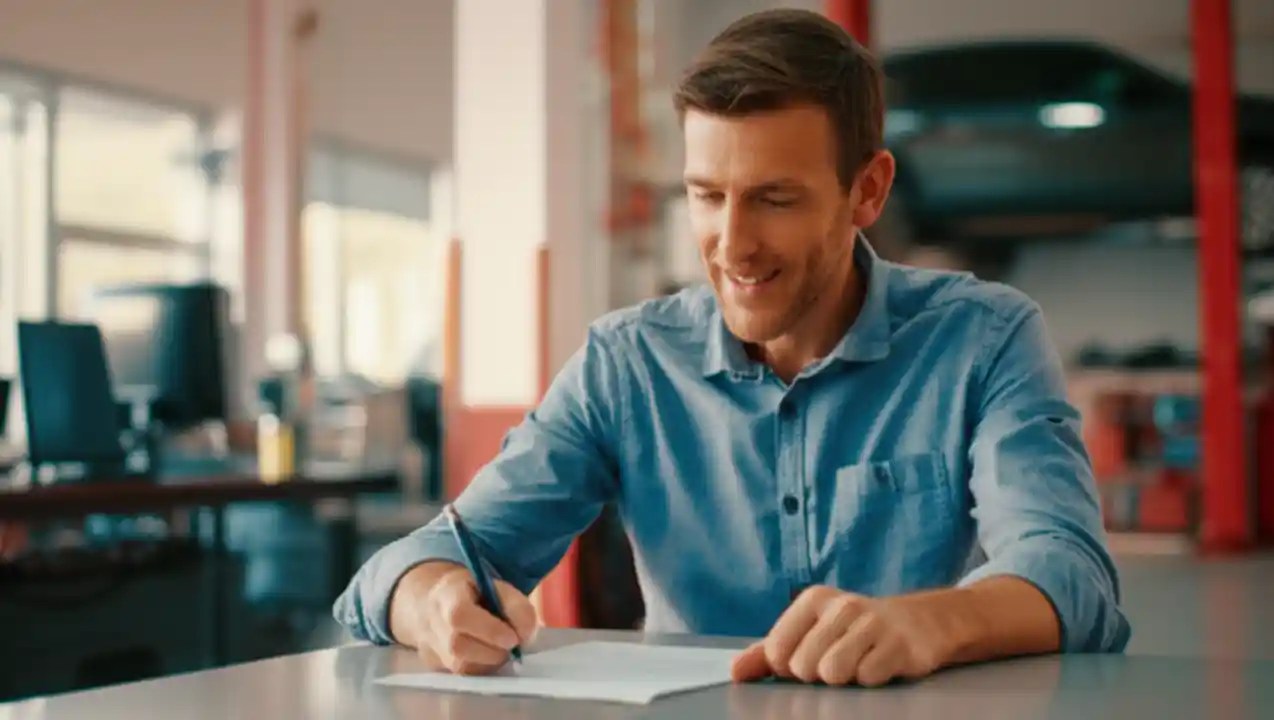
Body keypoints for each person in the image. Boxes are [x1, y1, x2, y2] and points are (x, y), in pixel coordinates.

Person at [334, 8, 1129, 687]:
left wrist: (936, 623)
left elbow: (1069, 572)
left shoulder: (982, 339)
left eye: (775, 200)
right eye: (707, 197)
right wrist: (431, 598)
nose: (732, 245)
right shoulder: (628, 363)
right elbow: (419, 561)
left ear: (869, 191)